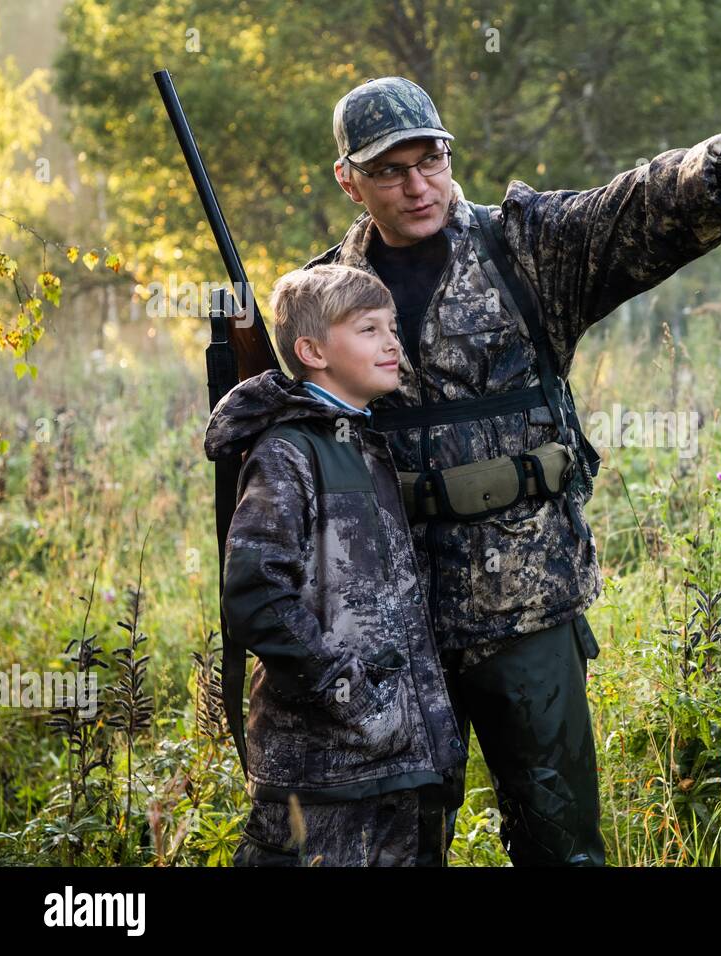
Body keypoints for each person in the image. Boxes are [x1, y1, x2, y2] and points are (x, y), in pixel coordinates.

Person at [305, 75, 721, 866]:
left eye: (432, 160)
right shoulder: (322, 298)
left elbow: (634, 206)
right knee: (390, 850)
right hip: (390, 625)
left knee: (561, 847)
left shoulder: (524, 247)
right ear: (348, 179)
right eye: (390, 169)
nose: (418, 185)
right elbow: (288, 448)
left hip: (525, 612)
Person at [204, 263, 466, 866]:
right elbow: (256, 597)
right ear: (312, 351)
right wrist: (357, 701)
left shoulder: (363, 443)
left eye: (392, 327)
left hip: (392, 769)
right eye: (369, 329)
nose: (393, 343)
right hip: (326, 775)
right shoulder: (287, 451)